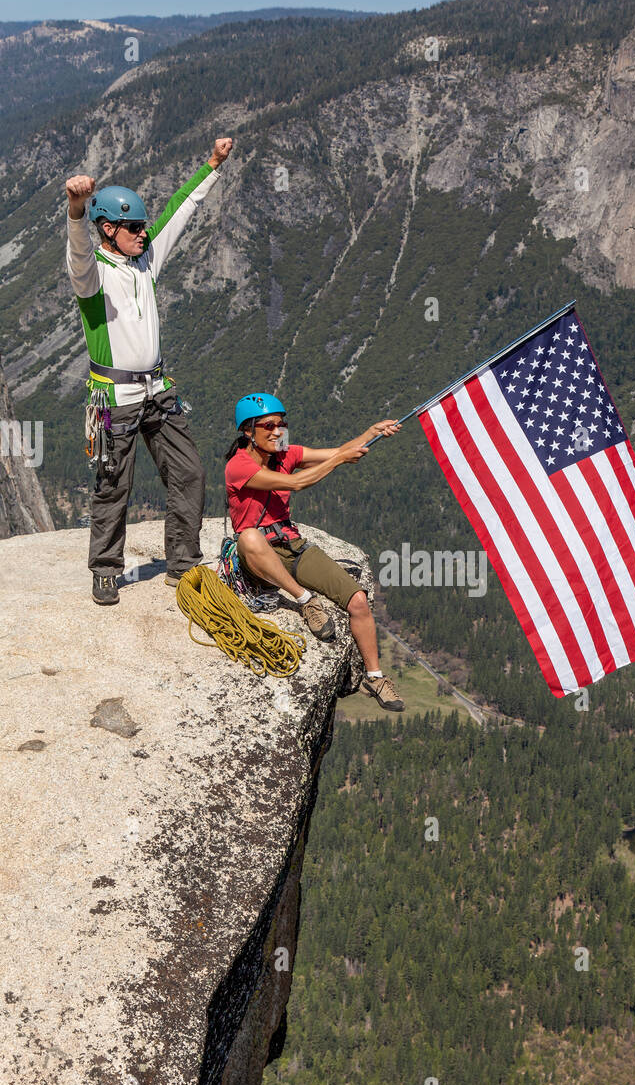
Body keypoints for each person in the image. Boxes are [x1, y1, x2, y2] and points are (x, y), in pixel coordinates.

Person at [64, 138, 233, 605]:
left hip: (158, 390)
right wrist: (76, 213)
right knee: (113, 486)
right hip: (114, 401)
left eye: (142, 225)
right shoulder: (92, 274)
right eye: (134, 226)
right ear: (107, 229)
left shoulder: (144, 261)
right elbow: (79, 254)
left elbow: (180, 210)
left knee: (189, 472)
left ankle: (182, 563)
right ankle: (105, 570)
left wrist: (213, 165)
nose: (144, 233)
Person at [225, 393, 405, 712]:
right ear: (248, 431)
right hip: (257, 555)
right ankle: (305, 600)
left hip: (292, 546)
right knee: (250, 537)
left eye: (282, 425)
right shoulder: (238, 466)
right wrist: (337, 461)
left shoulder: (284, 452)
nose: (278, 431)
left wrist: (372, 432)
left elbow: (337, 452)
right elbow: (295, 483)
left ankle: (375, 677)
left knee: (358, 601)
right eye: (268, 425)